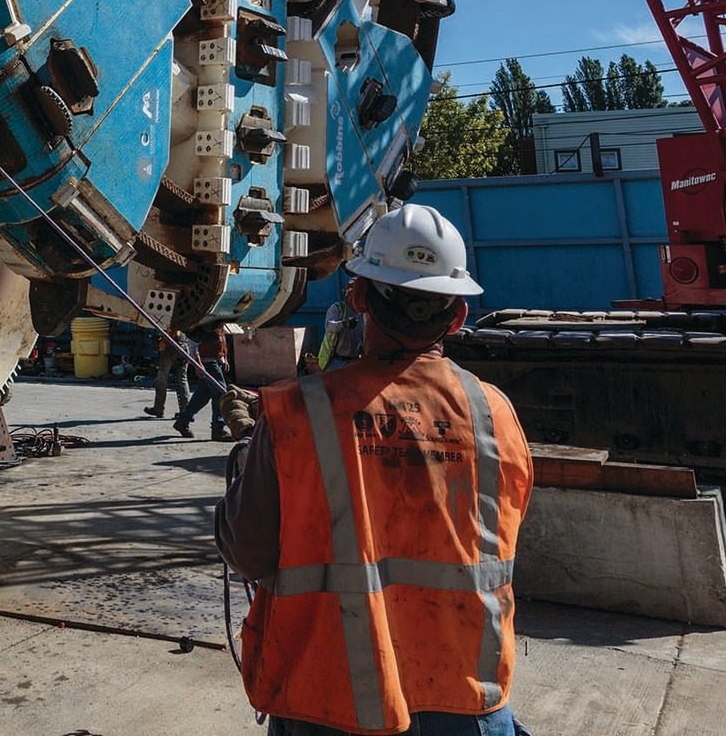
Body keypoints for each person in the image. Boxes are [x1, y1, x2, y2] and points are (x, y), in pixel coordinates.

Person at [215, 203, 534, 736]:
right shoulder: (495, 413)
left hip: (327, 700)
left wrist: (255, 457)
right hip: (466, 696)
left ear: (358, 297)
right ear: (457, 315)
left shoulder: (295, 414)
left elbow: (248, 553)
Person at [172, 326, 229, 440]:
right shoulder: (203, 325)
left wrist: (225, 359)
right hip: (208, 363)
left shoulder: (220, 324)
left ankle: (183, 421)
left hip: (216, 361)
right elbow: (193, 345)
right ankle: (218, 429)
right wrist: (198, 365)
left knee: (202, 395)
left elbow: (222, 340)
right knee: (220, 393)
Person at [143, 336, 189, 418]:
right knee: (182, 379)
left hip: (170, 346)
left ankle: (158, 408)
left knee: (162, 378)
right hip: (183, 346)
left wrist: (163, 341)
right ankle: (186, 410)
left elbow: (172, 328)